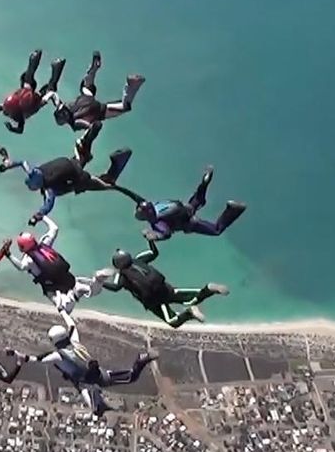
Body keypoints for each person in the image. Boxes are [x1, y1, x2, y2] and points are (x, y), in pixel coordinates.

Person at [14, 310, 156, 417]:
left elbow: (36, 359)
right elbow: (72, 325)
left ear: (54, 340)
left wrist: (18, 355)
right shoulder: (74, 341)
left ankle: (99, 403)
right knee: (131, 376)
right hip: (99, 373)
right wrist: (62, 310)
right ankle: (140, 361)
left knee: (95, 409)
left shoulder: (58, 355)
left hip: (85, 383)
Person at [0, 123, 142, 224]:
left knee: (106, 184)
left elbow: (49, 204)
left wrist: (38, 215)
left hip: (79, 178)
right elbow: (22, 163)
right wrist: (8, 164)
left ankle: (117, 164)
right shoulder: (35, 170)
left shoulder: (49, 189)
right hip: (71, 163)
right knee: (81, 158)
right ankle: (86, 140)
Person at [94, 244, 228, 328]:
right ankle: (208, 290)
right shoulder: (139, 259)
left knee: (173, 321)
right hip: (165, 289)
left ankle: (189, 313)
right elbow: (154, 253)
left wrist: (100, 281)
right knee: (191, 297)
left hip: (155, 302)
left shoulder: (122, 276)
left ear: (117, 265)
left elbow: (115, 287)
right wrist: (151, 240)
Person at [136, 165, 247, 243]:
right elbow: (136, 197)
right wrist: (119, 188)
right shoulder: (155, 205)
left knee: (216, 230)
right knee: (198, 201)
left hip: (189, 222)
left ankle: (233, 209)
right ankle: (204, 183)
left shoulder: (156, 223)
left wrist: (155, 236)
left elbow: (166, 233)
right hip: (186, 208)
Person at [9, 216, 96, 311]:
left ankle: (61, 302)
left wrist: (8, 255)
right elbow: (55, 228)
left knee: (50, 295)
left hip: (53, 285)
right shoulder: (45, 244)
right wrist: (42, 217)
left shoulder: (29, 260)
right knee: (72, 285)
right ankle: (80, 288)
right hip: (68, 277)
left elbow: (21, 267)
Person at [48, 50, 144, 130]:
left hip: (100, 110)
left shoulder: (74, 123)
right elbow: (53, 95)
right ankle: (93, 68)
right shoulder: (62, 106)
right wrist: (47, 96)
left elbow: (84, 124)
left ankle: (131, 84)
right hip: (86, 97)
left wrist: (91, 128)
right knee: (86, 86)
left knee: (125, 107)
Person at [0, 49, 66, 134]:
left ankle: (52, 65)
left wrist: (11, 129)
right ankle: (54, 65)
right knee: (43, 86)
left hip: (35, 101)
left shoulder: (19, 114)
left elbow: (20, 129)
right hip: (33, 98)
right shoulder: (15, 109)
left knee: (46, 87)